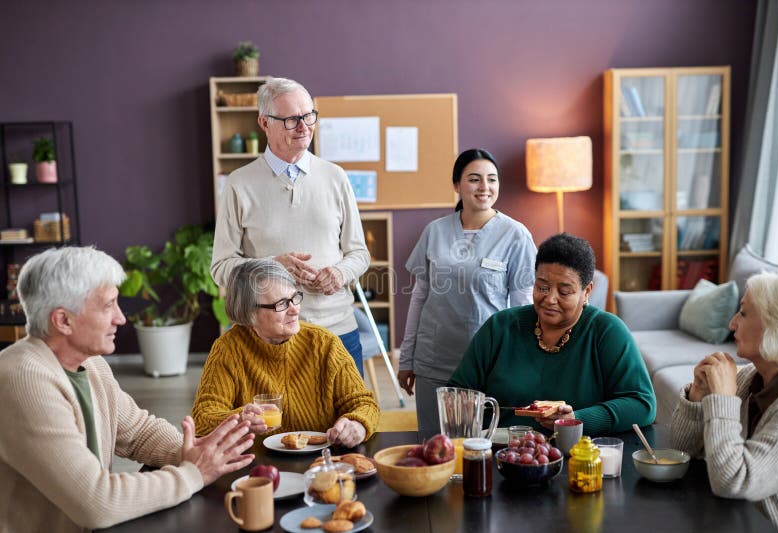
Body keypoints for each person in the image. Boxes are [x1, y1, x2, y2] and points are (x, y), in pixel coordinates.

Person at [0, 247, 255, 533]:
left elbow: (137, 431)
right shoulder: (24, 379)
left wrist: (190, 450)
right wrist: (193, 473)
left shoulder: (90, 363)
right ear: (63, 320)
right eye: (108, 306)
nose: (121, 318)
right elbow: (96, 502)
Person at [211, 76, 370, 376]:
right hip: (266, 338)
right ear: (264, 122)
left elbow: (359, 254)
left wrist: (339, 273)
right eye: (292, 119)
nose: (304, 127)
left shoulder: (336, 177)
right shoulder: (239, 184)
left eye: (309, 116)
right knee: (274, 424)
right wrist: (271, 266)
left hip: (338, 332)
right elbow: (221, 266)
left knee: (350, 420)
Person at [449, 233, 656, 436]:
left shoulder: (607, 331)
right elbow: (456, 393)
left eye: (564, 292)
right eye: (542, 287)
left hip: (577, 455)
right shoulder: (501, 326)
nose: (550, 299)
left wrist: (576, 419)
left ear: (587, 291)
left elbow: (642, 404)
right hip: (499, 452)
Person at [397, 148, 538, 437]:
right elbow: (419, 298)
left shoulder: (516, 235)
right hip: (433, 360)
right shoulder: (434, 231)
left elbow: (523, 307)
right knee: (434, 446)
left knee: (481, 447)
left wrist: (522, 362)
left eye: (492, 179)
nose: (484, 187)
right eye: (474, 179)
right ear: (457, 185)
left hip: (489, 362)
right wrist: (407, 358)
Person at [192, 258, 379, 447]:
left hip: (320, 463)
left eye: (294, 297)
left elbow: (364, 403)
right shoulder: (228, 349)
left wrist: (358, 424)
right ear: (249, 313)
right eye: (281, 304)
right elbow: (203, 419)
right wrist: (240, 419)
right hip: (253, 465)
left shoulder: (324, 343)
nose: (294, 309)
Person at [671, 271, 778, 532]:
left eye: (743, 313)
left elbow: (733, 481)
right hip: (732, 518)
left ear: (777, 324)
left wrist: (722, 399)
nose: (731, 324)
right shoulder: (751, 378)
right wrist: (699, 395)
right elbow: (682, 452)